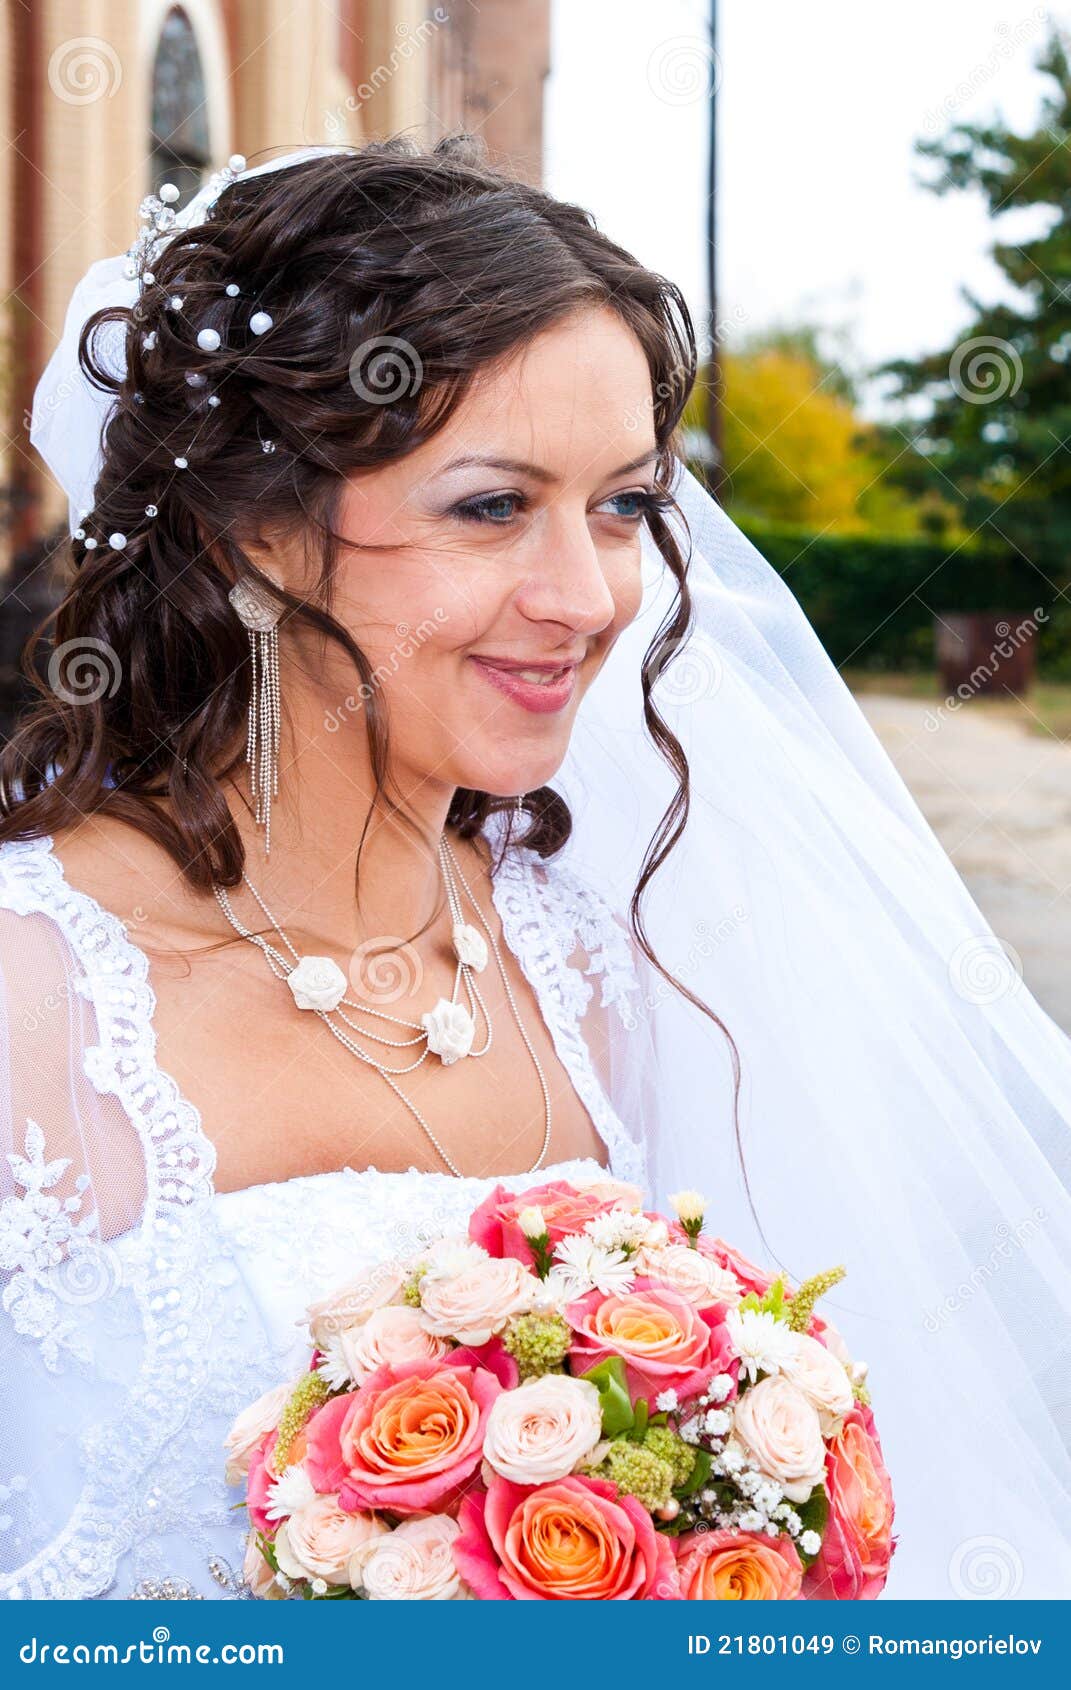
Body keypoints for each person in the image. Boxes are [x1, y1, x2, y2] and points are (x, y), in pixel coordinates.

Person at [1, 136, 1069, 1601]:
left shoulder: (608, 963)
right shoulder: (31, 1002)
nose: (587, 597)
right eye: (493, 506)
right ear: (251, 529)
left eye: (625, 505)